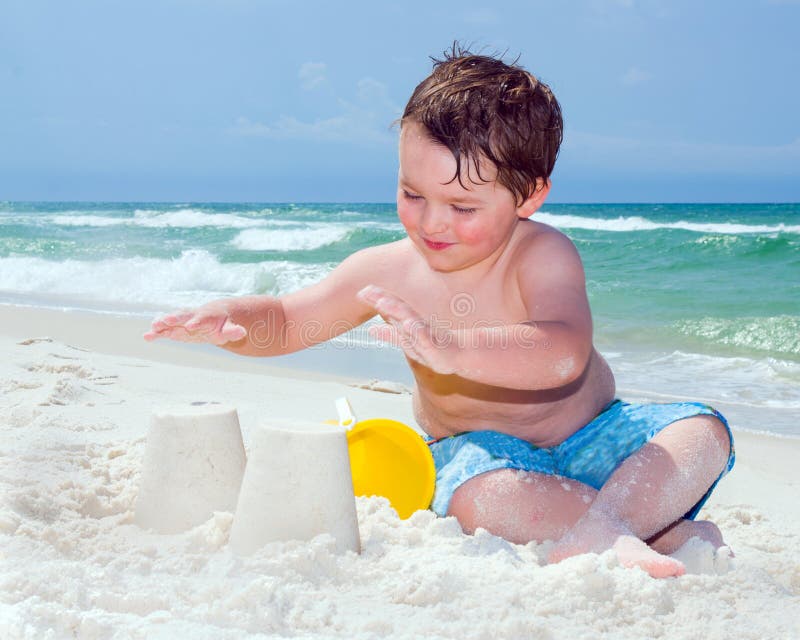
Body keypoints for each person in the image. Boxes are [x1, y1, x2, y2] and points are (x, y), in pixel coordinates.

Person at [144, 46, 734, 578]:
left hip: (596, 439)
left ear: (529, 195)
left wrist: (454, 348)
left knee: (701, 429)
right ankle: (646, 532)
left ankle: (610, 525)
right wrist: (233, 322)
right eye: (412, 194)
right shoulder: (387, 270)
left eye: (461, 205)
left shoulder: (542, 255)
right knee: (480, 498)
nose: (431, 222)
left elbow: (563, 352)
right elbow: (294, 318)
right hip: (485, 454)